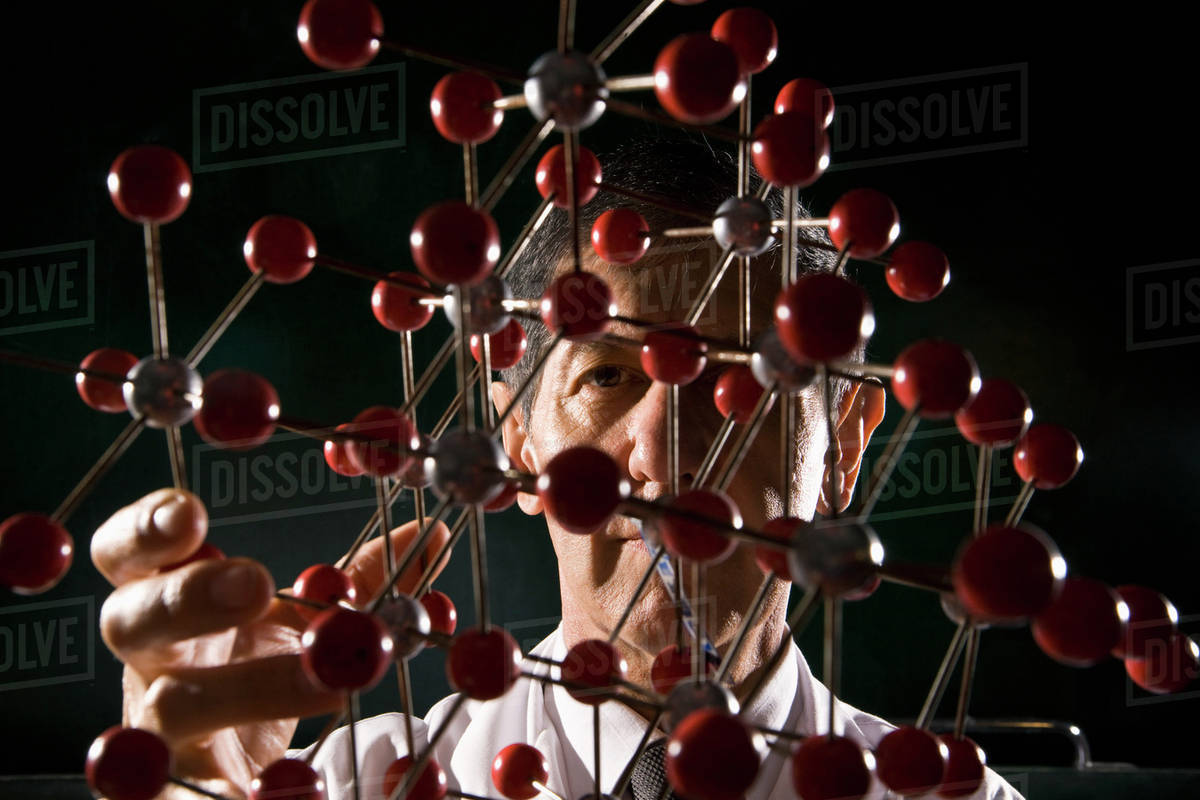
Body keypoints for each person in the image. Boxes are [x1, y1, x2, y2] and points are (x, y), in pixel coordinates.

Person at [90, 137, 1022, 799]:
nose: (661, 456)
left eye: (740, 381)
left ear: (844, 444)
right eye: (606, 377)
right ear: (517, 436)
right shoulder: (347, 788)